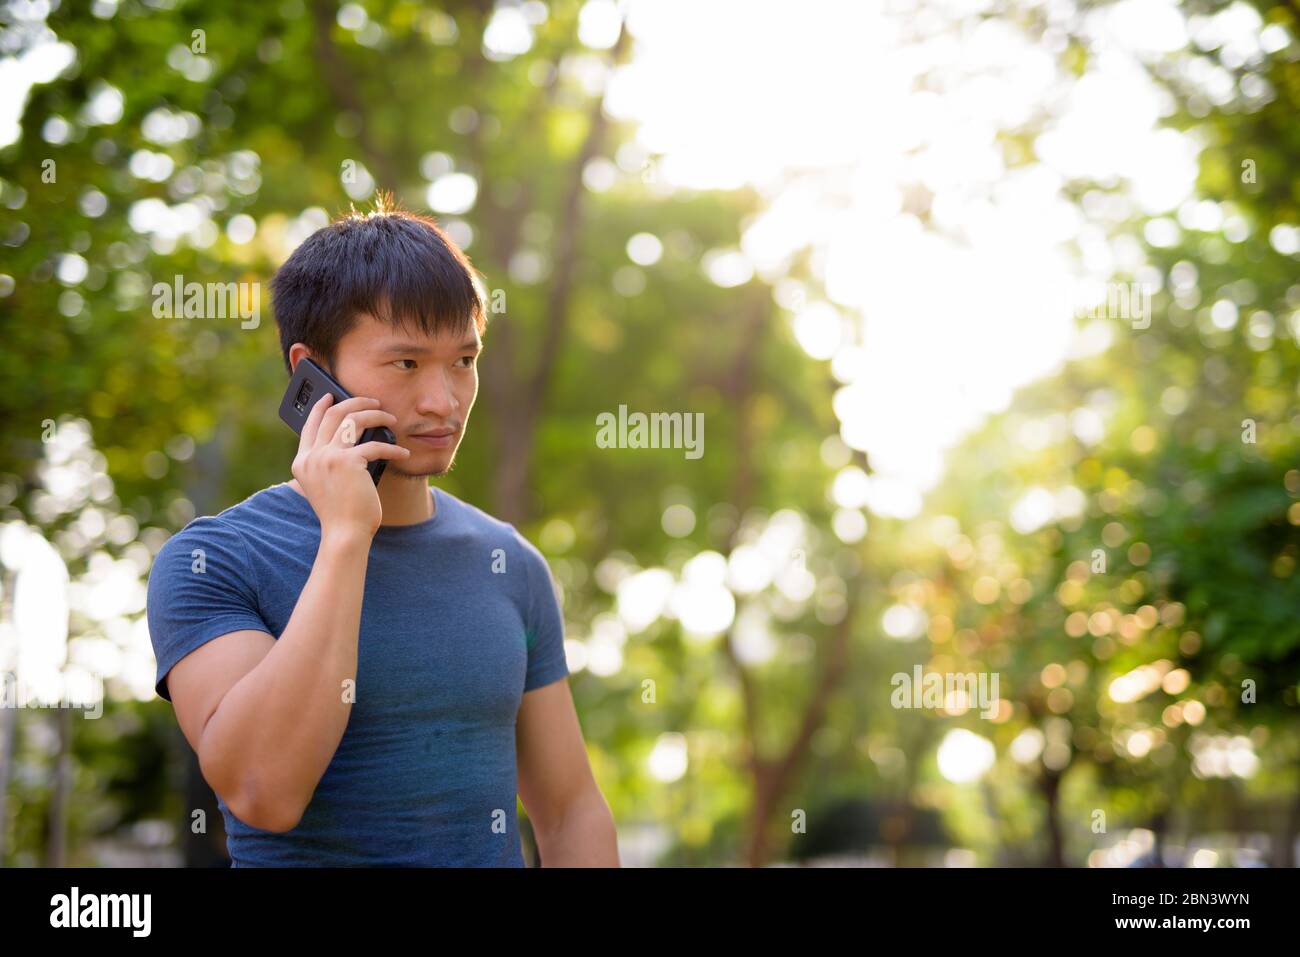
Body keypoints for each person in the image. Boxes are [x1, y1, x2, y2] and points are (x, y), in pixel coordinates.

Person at [145, 201, 618, 866]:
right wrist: (345, 537)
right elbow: (264, 789)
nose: (443, 400)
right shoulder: (213, 559)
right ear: (312, 371)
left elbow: (569, 812)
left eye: (462, 360)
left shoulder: (509, 563)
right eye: (406, 364)